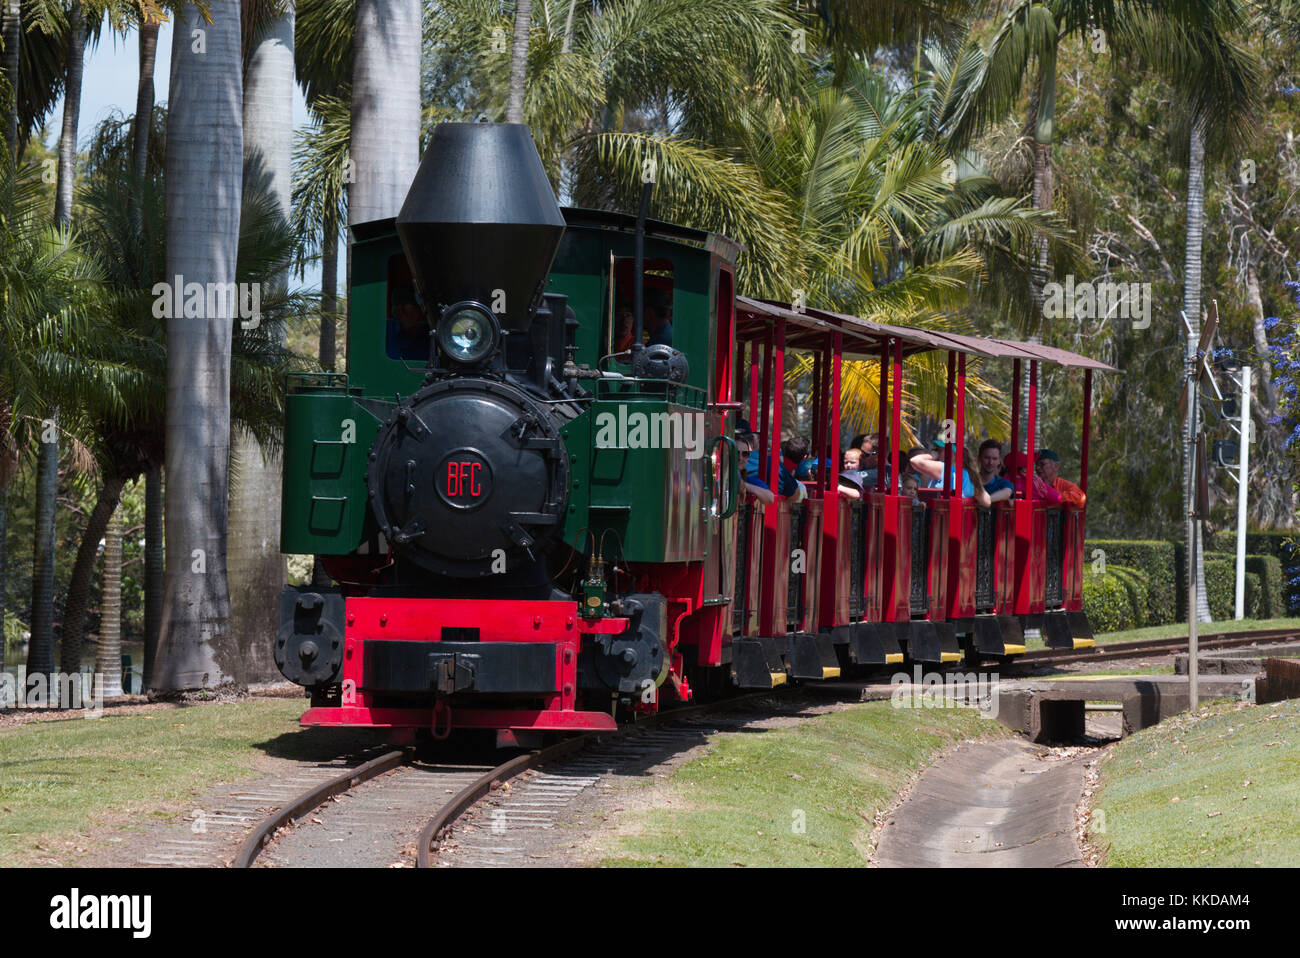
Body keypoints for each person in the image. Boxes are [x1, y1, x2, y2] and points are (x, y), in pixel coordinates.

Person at [385, 286, 431, 360]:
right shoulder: (383, 332)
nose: (423, 313)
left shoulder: (433, 333)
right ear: (399, 310)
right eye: (417, 307)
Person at [736, 435, 775, 505]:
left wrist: (743, 485)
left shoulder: (750, 481)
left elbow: (770, 498)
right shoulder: (719, 477)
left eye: (745, 454)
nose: (740, 458)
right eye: (736, 453)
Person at [977, 439, 1015, 503]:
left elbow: (1007, 492)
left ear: (999, 461)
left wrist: (986, 500)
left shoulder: (1004, 483)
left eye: (994, 459)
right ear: (979, 458)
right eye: (987, 458)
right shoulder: (970, 481)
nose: (990, 462)